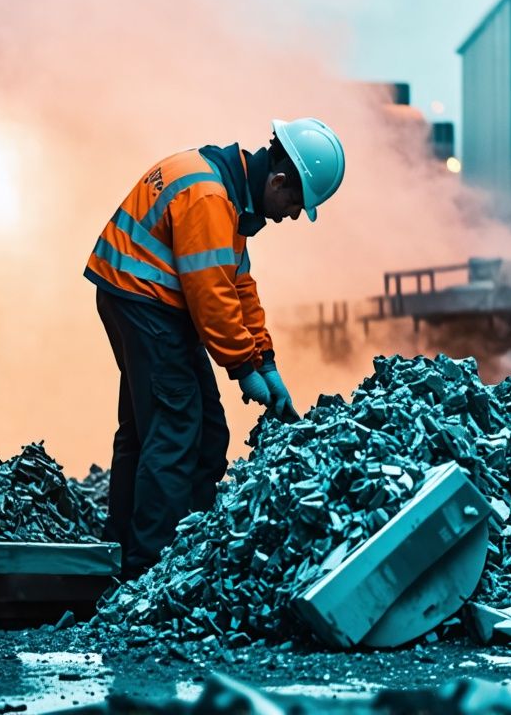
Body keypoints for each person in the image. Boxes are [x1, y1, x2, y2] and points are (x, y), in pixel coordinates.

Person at [85, 118, 346, 578]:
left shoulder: (231, 197)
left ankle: (130, 548)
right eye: (294, 204)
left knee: (185, 431)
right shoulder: (209, 198)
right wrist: (243, 365)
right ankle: (148, 570)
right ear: (279, 180)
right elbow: (210, 293)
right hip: (146, 301)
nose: (289, 216)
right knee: (177, 430)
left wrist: (266, 361)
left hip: (142, 298)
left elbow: (238, 283)